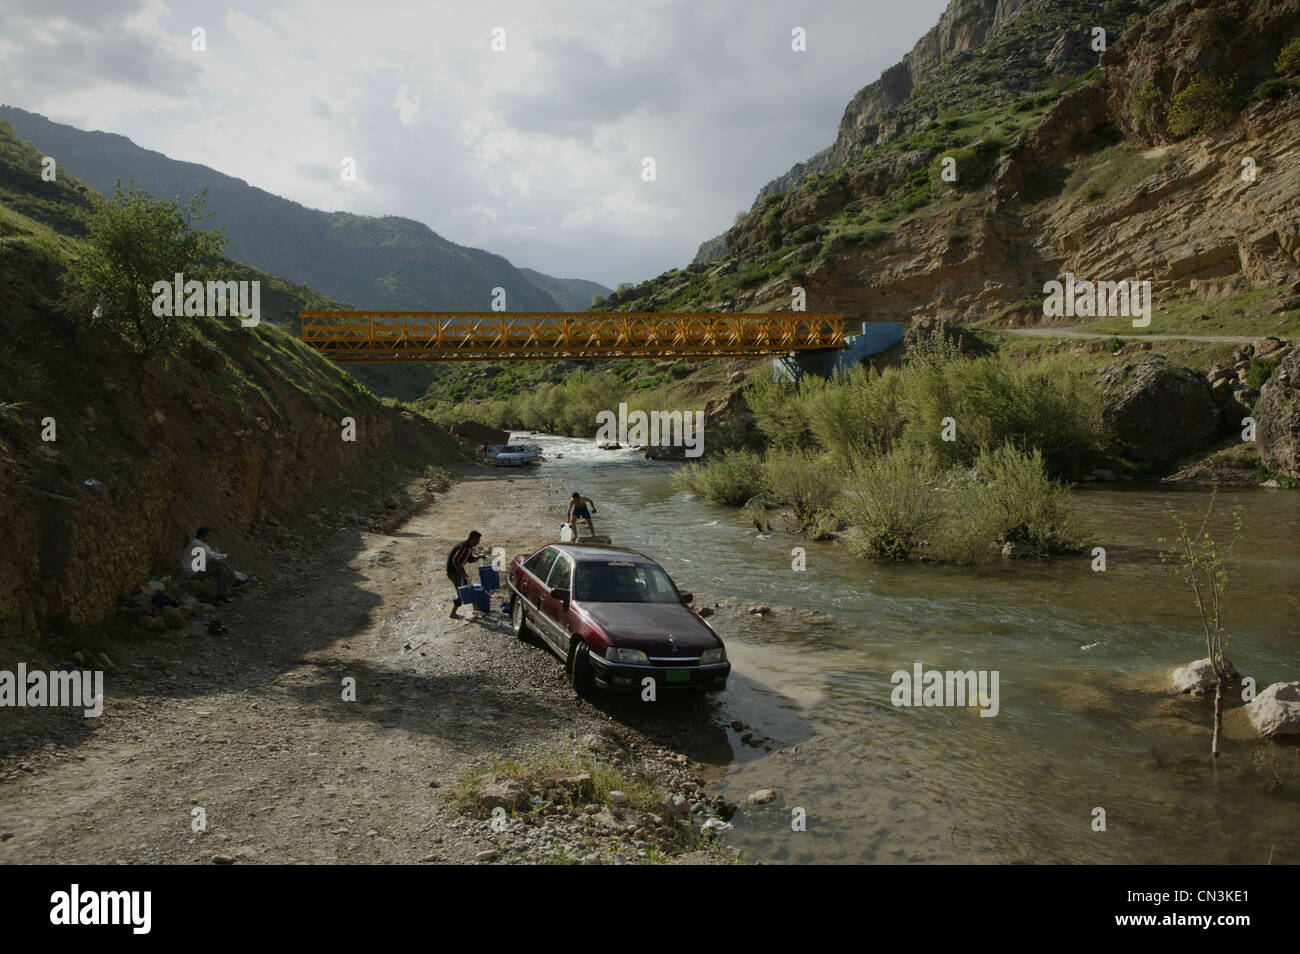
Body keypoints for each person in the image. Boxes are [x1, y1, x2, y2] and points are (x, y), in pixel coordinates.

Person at [182, 526, 246, 604]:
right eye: (207, 535)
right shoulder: (197, 544)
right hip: (193, 572)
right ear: (201, 535)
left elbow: (210, 556)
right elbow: (211, 555)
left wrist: (218, 558)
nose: (209, 537)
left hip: (197, 568)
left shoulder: (202, 544)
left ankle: (222, 594)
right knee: (220, 562)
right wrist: (225, 556)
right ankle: (233, 580)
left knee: (221, 570)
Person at [446, 530, 483, 619]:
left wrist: (479, 557)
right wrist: (461, 573)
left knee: (470, 589)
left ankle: (475, 614)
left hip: (458, 571)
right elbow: (455, 560)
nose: (478, 542)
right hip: (454, 572)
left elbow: (470, 560)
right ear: (473, 539)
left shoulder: (469, 547)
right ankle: (453, 613)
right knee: (462, 593)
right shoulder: (464, 547)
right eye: (477, 540)